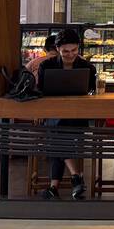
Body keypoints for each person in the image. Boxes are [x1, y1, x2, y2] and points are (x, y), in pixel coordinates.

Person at [37, 28, 96, 199]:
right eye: (65, 51)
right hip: (55, 114)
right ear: (57, 49)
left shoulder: (88, 67)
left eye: (74, 50)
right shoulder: (46, 66)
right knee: (59, 128)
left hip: (77, 116)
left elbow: (91, 92)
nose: (70, 55)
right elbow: (41, 91)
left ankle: (54, 187)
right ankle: (76, 177)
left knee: (57, 132)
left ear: (79, 48)